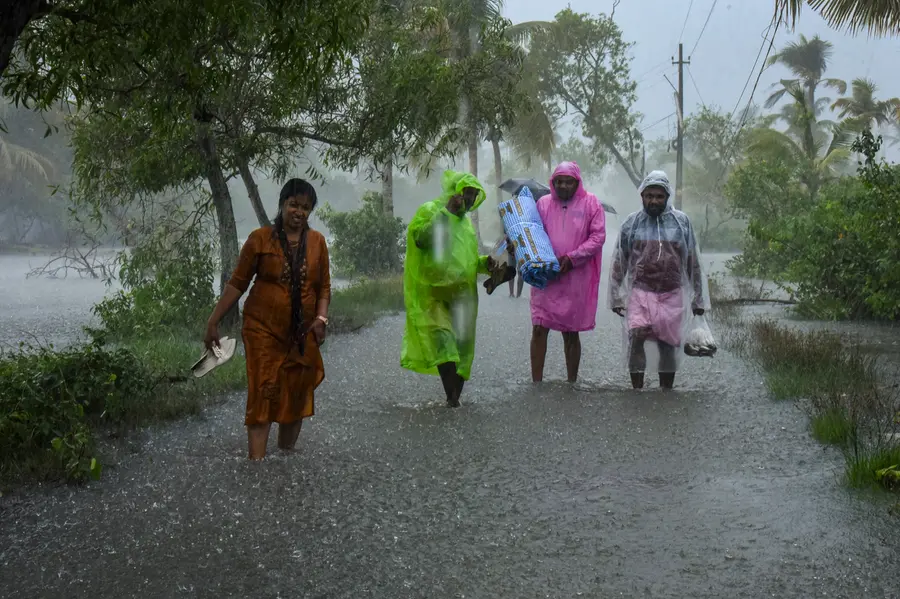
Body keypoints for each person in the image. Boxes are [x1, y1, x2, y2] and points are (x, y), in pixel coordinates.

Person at [205, 179, 331, 459]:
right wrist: (213, 321)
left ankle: (284, 461)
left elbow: (323, 287)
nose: (299, 212)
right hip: (262, 329)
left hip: (302, 333)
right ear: (282, 204)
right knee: (263, 392)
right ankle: (257, 466)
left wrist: (321, 319)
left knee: (296, 395)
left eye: (305, 208)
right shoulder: (260, 239)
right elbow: (237, 283)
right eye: (294, 205)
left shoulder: (317, 242)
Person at [401, 169, 513, 407]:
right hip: (434, 296)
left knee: (462, 352)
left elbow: (467, 262)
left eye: (473, 194)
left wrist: (486, 264)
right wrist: (446, 213)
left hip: (463, 298)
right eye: (466, 192)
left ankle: (453, 402)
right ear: (454, 191)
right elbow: (420, 239)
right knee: (444, 345)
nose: (469, 199)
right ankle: (452, 401)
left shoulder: (466, 225)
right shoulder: (431, 210)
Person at [608, 170, 709, 390]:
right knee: (636, 337)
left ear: (667, 197)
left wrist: (699, 298)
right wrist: (615, 295)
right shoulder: (632, 223)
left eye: (659, 196)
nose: (653, 201)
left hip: (672, 294)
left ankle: (666, 394)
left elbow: (693, 261)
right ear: (642, 196)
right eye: (649, 195)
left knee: (667, 344)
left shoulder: (681, 222)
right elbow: (620, 261)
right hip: (640, 293)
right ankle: (637, 391)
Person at [530, 162, 607, 383]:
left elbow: (598, 237)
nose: (563, 186)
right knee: (539, 327)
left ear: (577, 182)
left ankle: (571, 381)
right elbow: (533, 232)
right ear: (553, 183)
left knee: (571, 331)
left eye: (568, 182)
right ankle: (536, 382)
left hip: (575, 278)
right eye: (559, 181)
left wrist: (573, 258)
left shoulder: (591, 203)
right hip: (547, 277)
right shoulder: (543, 204)